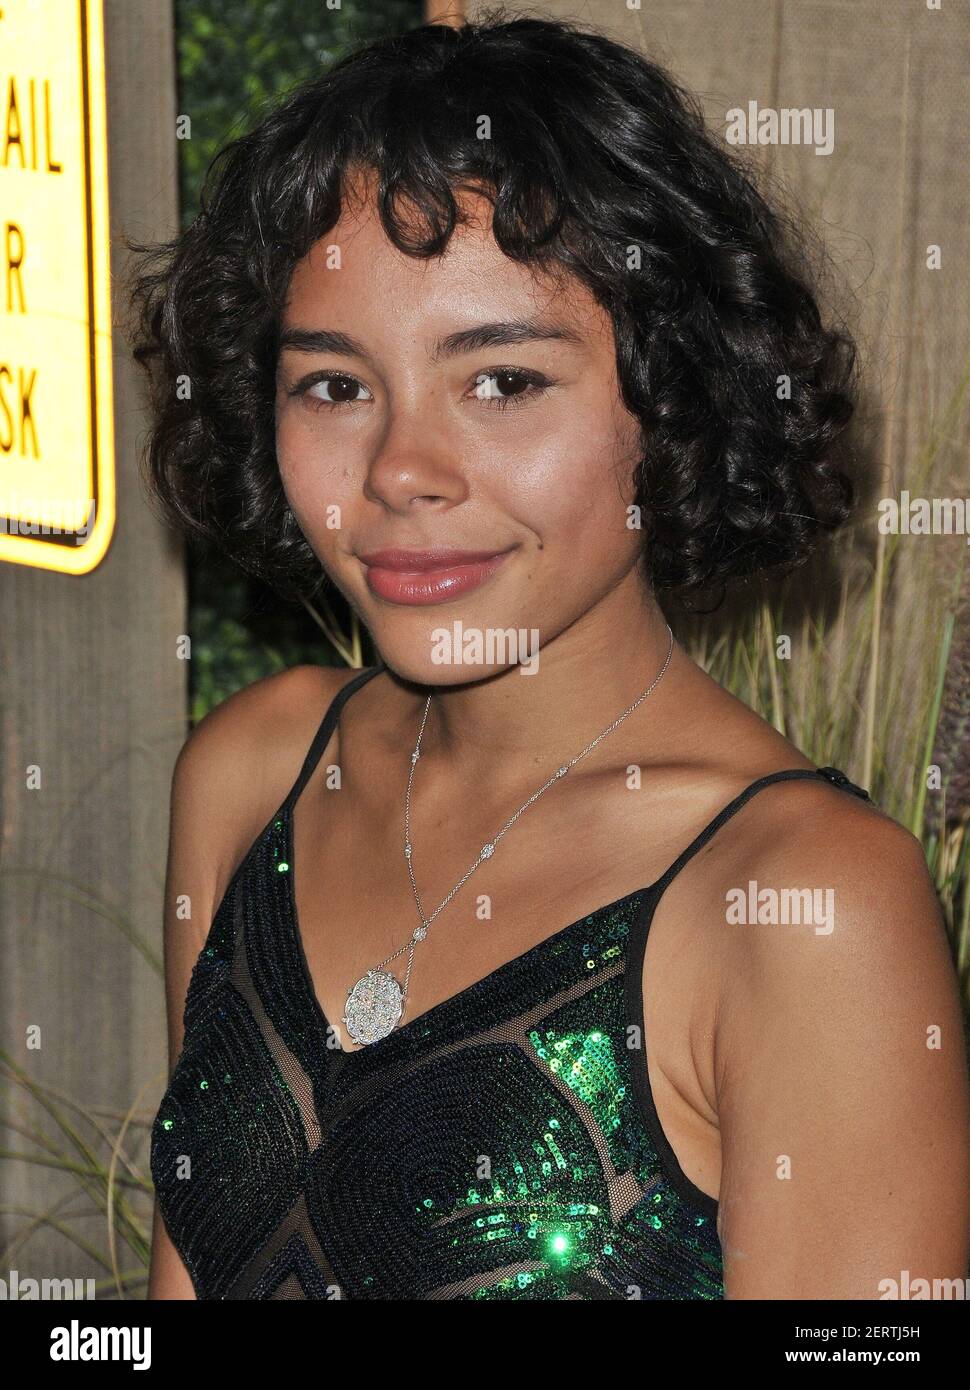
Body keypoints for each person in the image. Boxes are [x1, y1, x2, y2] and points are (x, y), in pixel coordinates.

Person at [129, 12, 970, 1300]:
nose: (402, 471)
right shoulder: (250, 774)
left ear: (672, 397)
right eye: (334, 387)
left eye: (506, 382)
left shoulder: (804, 902)